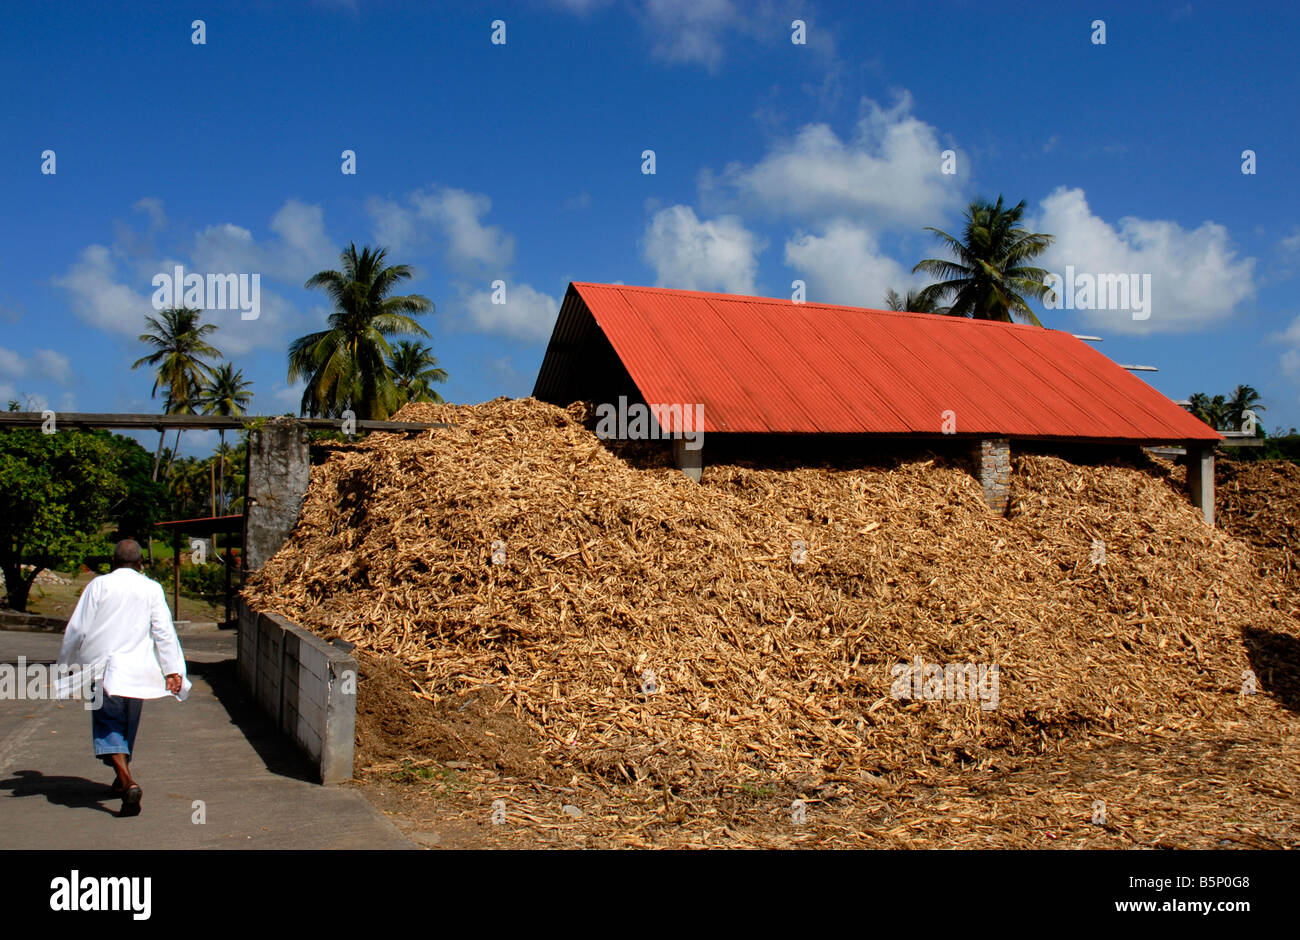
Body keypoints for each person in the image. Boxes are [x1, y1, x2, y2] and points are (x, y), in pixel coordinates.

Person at [56, 538, 190, 817]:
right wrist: (173, 670)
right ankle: (120, 779)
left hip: (104, 671)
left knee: (108, 726)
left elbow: (77, 629)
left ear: (113, 562)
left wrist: (66, 664)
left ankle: (128, 783)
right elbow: (163, 631)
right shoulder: (152, 588)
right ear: (141, 563)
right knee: (126, 726)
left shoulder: (99, 585)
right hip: (138, 673)